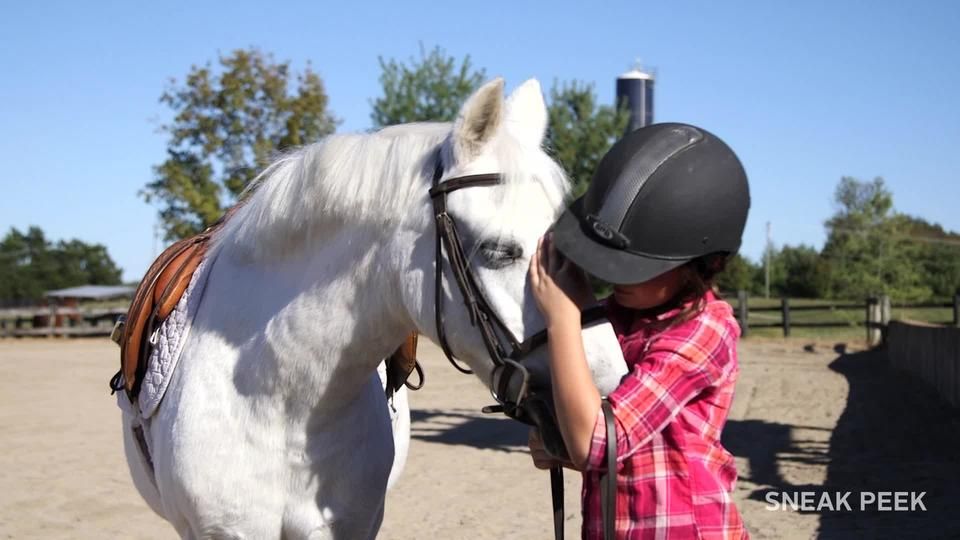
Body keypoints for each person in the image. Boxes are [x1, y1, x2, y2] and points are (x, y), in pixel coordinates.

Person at [527, 123, 751, 539]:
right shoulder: (618, 317)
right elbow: (633, 447)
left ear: (703, 263)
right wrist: (561, 444)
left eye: (639, 266)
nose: (615, 277)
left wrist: (563, 320)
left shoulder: (704, 331)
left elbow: (596, 442)